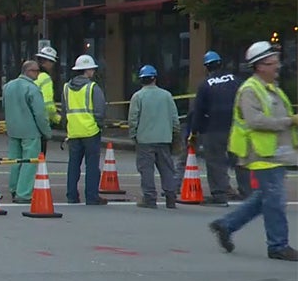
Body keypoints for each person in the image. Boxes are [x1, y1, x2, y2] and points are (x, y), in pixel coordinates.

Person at [210, 41, 298, 262]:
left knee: (264, 198)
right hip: (262, 155)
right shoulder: (250, 90)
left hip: (275, 154)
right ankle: (278, 245)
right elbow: (255, 121)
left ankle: (226, 225)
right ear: (259, 66)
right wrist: (289, 121)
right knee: (275, 201)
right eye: (271, 62)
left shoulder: (271, 88)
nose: (277, 65)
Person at [189, 50, 247, 205]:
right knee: (239, 160)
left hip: (213, 130)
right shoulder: (236, 81)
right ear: (221, 64)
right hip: (236, 128)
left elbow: (198, 111)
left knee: (215, 162)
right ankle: (247, 192)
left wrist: (194, 132)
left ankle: (220, 195)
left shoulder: (205, 85)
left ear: (207, 67)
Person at [128, 65, 181, 209]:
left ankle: (150, 198)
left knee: (146, 170)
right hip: (164, 138)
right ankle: (171, 198)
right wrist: (175, 135)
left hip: (144, 139)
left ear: (141, 80)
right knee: (167, 169)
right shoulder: (167, 95)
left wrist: (133, 136)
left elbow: (133, 119)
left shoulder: (138, 96)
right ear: (155, 78)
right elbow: (175, 119)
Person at [61, 54, 108, 205]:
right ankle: (92, 196)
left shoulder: (66, 87)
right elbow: (100, 111)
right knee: (92, 166)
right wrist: (100, 125)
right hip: (91, 131)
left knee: (73, 165)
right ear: (87, 70)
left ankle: (72, 196)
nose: (93, 72)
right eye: (92, 69)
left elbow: (64, 110)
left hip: (74, 132)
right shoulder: (92, 87)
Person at [3, 60, 52, 203]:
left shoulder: (8, 87)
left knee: (15, 161)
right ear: (28, 71)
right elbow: (40, 114)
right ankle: (24, 193)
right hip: (30, 131)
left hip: (12, 130)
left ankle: (13, 188)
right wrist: (46, 132)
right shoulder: (32, 89)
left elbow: (4, 106)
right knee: (29, 163)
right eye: (36, 71)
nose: (38, 73)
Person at [35, 46, 60, 154]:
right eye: (52, 62)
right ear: (47, 62)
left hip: (24, 123)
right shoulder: (45, 78)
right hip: (39, 123)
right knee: (40, 158)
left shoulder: (29, 75)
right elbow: (48, 105)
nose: (53, 66)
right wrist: (57, 119)